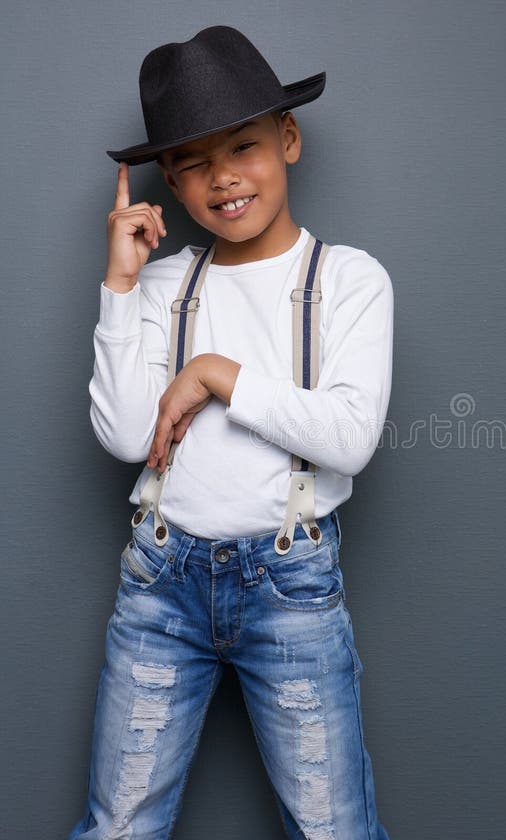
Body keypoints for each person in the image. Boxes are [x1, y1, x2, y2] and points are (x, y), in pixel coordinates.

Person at [68, 25, 393, 840]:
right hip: (159, 586)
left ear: (287, 139)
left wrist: (216, 372)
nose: (223, 178)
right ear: (171, 184)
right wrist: (117, 285)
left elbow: (349, 437)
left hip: (289, 589)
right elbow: (121, 434)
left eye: (243, 146)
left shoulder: (347, 279)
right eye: (193, 163)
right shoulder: (164, 283)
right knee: (117, 826)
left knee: (333, 830)